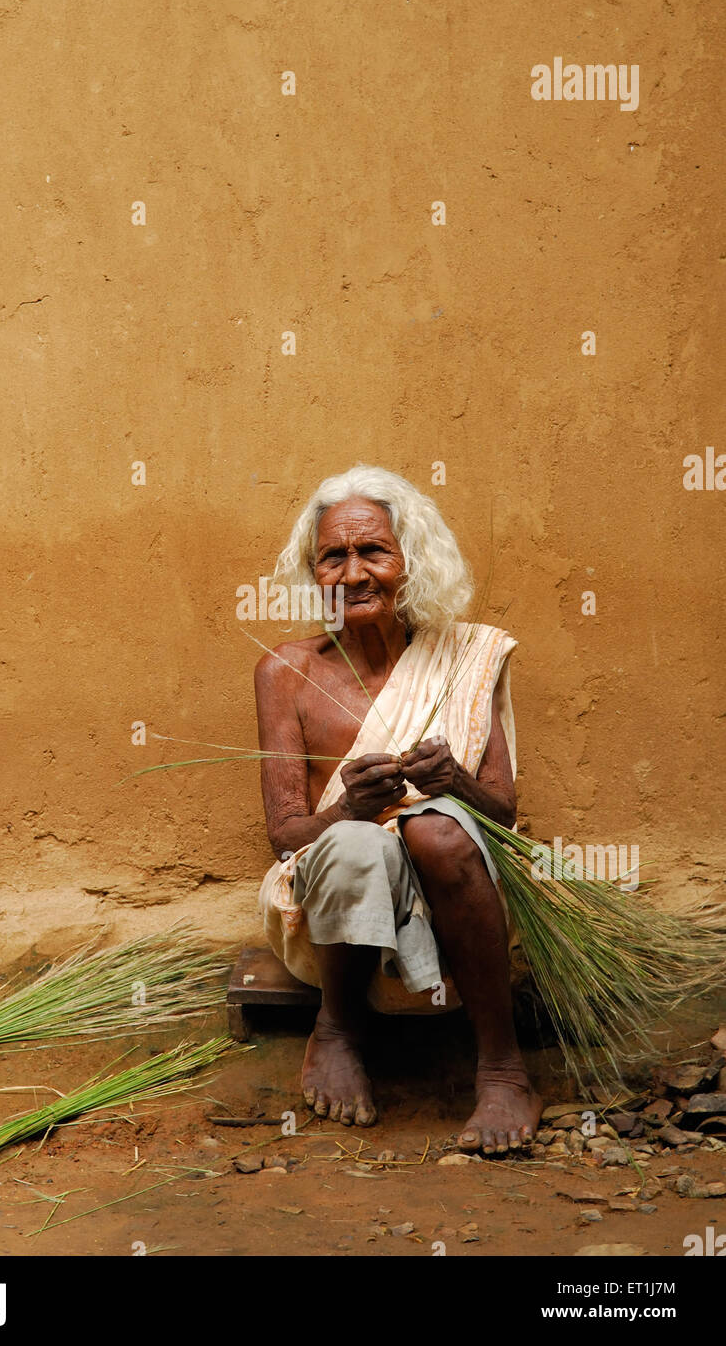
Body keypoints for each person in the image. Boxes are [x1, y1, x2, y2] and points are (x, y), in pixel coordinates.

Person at [255, 465, 543, 1155]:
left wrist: (453, 783)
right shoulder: (285, 671)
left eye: (373, 552)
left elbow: (500, 811)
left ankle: (502, 1069)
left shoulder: (467, 655)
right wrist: (349, 807)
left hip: (457, 892)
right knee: (359, 844)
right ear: (312, 571)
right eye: (333, 556)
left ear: (409, 561)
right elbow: (287, 837)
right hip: (333, 898)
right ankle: (338, 1028)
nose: (353, 573)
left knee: (438, 832)